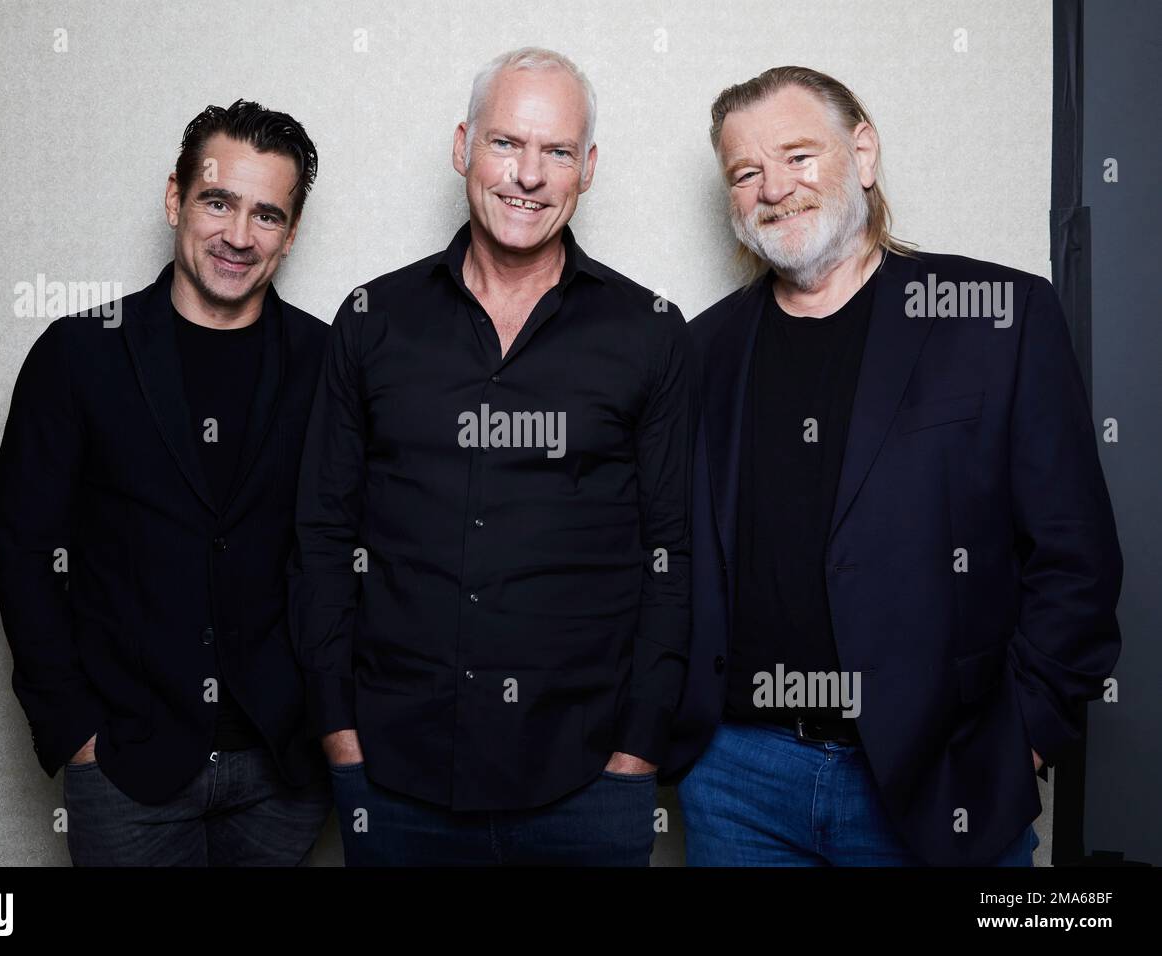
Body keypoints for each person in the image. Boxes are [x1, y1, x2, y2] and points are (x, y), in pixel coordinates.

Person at [666, 67, 1122, 866]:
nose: (774, 187)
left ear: (864, 153)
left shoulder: (997, 316)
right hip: (738, 781)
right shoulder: (699, 352)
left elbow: (1076, 559)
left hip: (940, 775)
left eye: (799, 156)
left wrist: (1026, 740)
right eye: (745, 172)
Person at [295, 48, 694, 866]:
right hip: (394, 779)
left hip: (588, 784)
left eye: (556, 152)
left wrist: (637, 756)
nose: (529, 175)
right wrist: (340, 736)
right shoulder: (372, 320)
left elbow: (672, 555)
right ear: (462, 148)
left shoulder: (650, 331)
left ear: (587, 168)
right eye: (507, 143)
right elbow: (321, 537)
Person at [0, 99, 331, 865]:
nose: (239, 236)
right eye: (218, 201)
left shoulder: (327, 362)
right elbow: (23, 549)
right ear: (175, 197)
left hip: (283, 769)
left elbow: (354, 547)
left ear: (291, 232)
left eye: (267, 214)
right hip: (126, 769)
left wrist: (332, 719)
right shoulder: (77, 356)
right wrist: (76, 732)